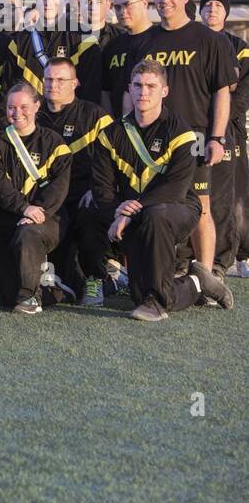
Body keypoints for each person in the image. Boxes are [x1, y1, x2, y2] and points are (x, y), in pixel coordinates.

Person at [90, 59, 233, 321]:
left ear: (164, 91)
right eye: (138, 85)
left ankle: (156, 303)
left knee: (157, 214)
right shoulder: (109, 134)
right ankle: (198, 283)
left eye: (151, 86)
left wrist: (127, 212)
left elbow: (175, 188)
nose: (143, 92)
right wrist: (115, 210)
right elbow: (102, 187)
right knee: (138, 293)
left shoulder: (181, 131)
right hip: (132, 211)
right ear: (129, 89)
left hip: (178, 207)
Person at [123, 0, 237, 276]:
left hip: (194, 138)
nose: (165, 0)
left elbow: (221, 93)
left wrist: (217, 137)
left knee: (201, 209)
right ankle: (156, 270)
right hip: (148, 140)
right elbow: (129, 92)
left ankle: (207, 277)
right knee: (147, 205)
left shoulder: (210, 40)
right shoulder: (144, 40)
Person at [0, 83, 73, 313]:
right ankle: (51, 287)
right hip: (10, 217)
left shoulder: (55, 143)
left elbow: (59, 188)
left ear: (37, 106)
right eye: (11, 107)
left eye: (24, 107)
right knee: (7, 295)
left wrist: (37, 211)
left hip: (46, 218)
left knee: (28, 232)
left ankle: (31, 299)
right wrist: (24, 209)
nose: (17, 113)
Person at [37, 57, 117, 305]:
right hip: (49, 199)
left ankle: (97, 280)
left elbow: (117, 157)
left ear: (75, 83)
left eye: (61, 80)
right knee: (64, 276)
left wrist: (99, 189)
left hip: (83, 196)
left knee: (92, 216)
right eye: (49, 79)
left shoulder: (95, 116)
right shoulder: (33, 116)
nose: (54, 85)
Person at [198, 0, 249, 277]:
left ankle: (235, 254)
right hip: (198, 127)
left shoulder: (238, 46)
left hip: (229, 130)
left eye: (218, 5)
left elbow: (241, 90)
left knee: (234, 195)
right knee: (201, 194)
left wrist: (224, 115)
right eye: (207, 5)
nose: (212, 9)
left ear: (226, 12)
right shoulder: (194, 41)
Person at [5, 0, 101, 97]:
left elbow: (91, 91)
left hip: (70, 115)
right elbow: (9, 88)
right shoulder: (19, 41)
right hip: (32, 114)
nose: (48, 3)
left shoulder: (85, 39)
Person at [99, 0, 154, 116]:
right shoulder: (112, 46)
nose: (123, 12)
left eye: (128, 5)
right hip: (120, 128)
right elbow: (105, 91)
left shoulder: (162, 40)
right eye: (117, 7)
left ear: (144, 4)